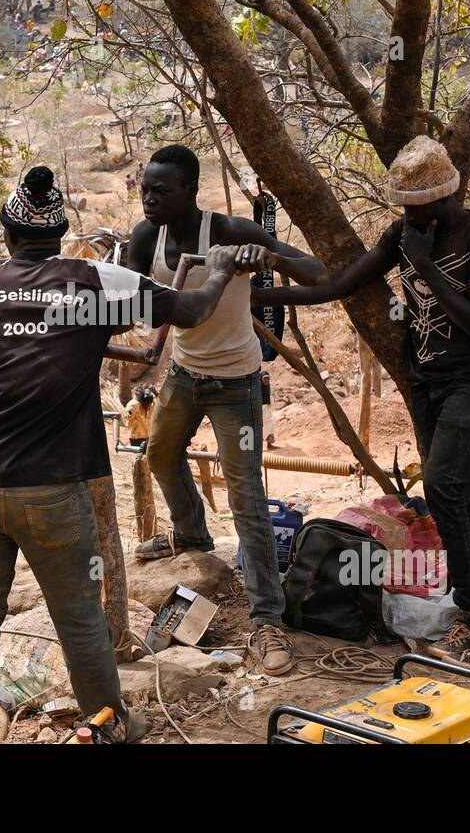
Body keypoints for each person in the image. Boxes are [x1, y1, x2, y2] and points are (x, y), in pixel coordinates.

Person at [0, 165, 250, 743]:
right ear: (59, 235)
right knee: (80, 616)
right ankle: (111, 727)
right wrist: (216, 271)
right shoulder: (92, 280)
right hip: (53, 488)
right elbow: (188, 313)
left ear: (8, 239)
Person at [254, 136, 470, 668]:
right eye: (404, 207)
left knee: (446, 482)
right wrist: (264, 296)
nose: (409, 215)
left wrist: (422, 267)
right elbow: (341, 286)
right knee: (460, 494)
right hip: (427, 381)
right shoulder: (403, 234)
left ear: (447, 196)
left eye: (417, 206)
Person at [125, 144, 328, 677]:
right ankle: (191, 533)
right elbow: (127, 298)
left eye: (161, 191)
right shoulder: (149, 237)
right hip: (184, 374)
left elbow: (316, 271)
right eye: (145, 188)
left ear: (191, 191)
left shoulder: (235, 230)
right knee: (160, 453)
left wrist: (270, 258)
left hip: (236, 383)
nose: (149, 199)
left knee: (247, 498)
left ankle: (267, 623)